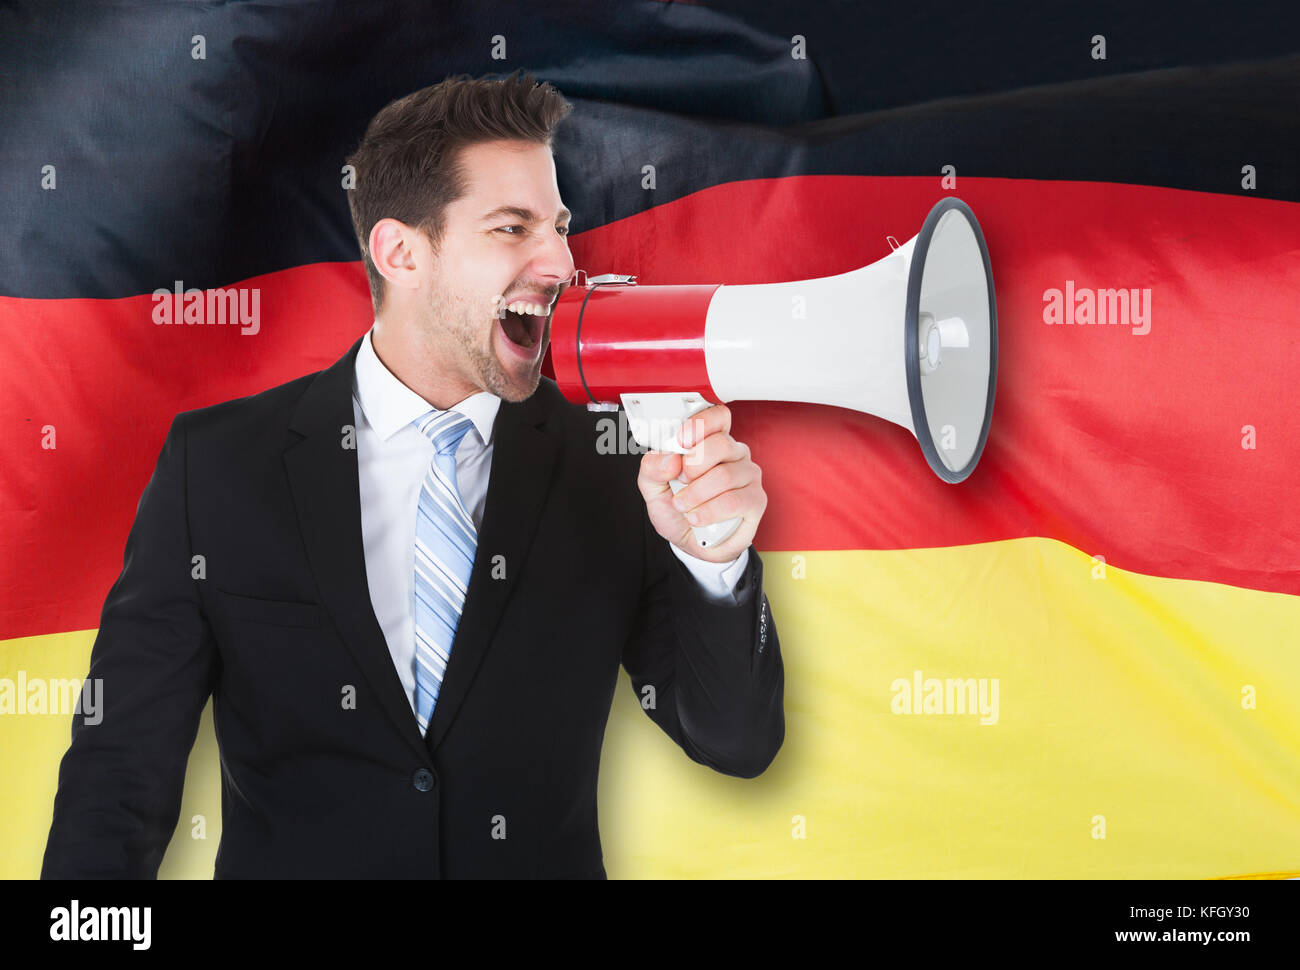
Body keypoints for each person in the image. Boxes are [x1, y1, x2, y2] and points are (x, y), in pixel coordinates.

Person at [42, 71, 784, 879]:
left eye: (560, 226)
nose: (560, 260)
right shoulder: (217, 468)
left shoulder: (617, 466)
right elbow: (117, 782)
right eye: (512, 228)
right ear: (400, 252)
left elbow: (736, 740)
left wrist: (715, 561)